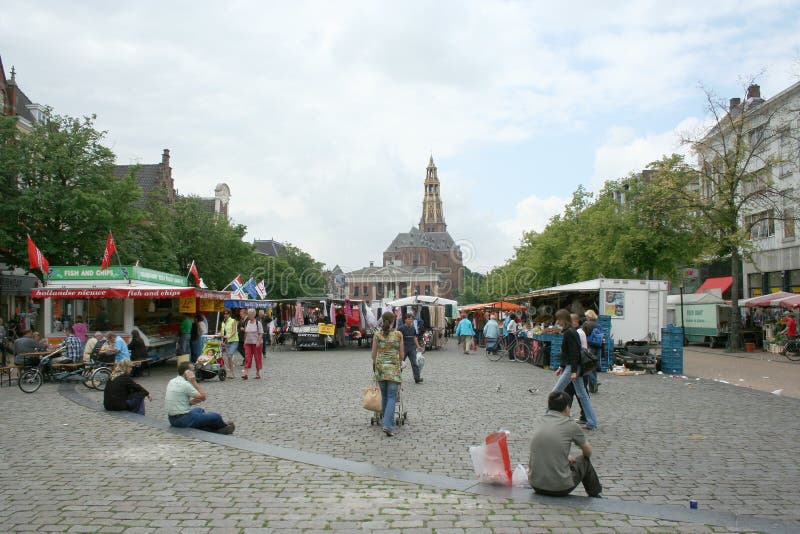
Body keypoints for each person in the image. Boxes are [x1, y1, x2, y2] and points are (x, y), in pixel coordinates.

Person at [528, 391, 602, 497]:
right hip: (559, 488)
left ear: (548, 405)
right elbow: (588, 452)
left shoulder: (539, 421)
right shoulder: (570, 425)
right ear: (567, 407)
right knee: (584, 461)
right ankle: (595, 493)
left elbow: (546, 444)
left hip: (535, 484)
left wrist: (564, 456)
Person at [551, 309, 598, 430]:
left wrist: (572, 371)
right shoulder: (572, 331)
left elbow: (573, 353)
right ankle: (592, 422)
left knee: (555, 393)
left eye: (559, 319)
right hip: (574, 367)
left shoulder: (569, 333)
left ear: (562, 319)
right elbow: (570, 353)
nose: (558, 322)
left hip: (572, 367)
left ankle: (549, 418)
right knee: (582, 395)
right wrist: (562, 366)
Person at [166, 361, 235, 434]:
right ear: (187, 372)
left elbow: (177, 401)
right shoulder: (185, 384)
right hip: (182, 419)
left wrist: (190, 402)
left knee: (199, 410)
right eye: (193, 370)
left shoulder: (172, 381)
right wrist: (194, 381)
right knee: (216, 417)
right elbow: (203, 397)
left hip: (172, 419)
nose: (194, 372)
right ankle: (223, 427)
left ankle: (208, 427)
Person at [371, 311, 404, 436]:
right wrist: (398, 363)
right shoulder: (398, 335)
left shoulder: (377, 335)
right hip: (393, 369)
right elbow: (401, 355)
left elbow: (373, 355)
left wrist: (375, 365)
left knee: (384, 396)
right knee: (392, 397)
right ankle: (388, 426)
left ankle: (386, 421)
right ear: (393, 321)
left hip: (380, 369)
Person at [397, 313, 423, 383]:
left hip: (412, 348)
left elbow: (414, 337)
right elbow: (397, 339)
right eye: (409, 319)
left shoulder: (413, 328)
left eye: (411, 319)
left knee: (414, 363)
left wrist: (418, 346)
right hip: (403, 348)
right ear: (405, 320)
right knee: (400, 363)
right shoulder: (400, 328)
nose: (410, 320)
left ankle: (417, 378)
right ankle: (397, 377)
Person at [241, 308, 264, 379]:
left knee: (257, 358)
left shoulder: (258, 323)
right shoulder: (247, 322)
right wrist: (244, 341)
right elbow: (246, 333)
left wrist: (258, 341)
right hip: (248, 343)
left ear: (254, 315)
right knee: (247, 357)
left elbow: (261, 333)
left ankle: (258, 373)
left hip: (256, 344)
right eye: (249, 314)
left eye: (251, 314)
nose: (250, 315)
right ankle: (246, 373)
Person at [582, 310, 601, 393]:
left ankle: (594, 382)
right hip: (598, 347)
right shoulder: (598, 324)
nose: (586, 317)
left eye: (586, 316)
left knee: (588, 366)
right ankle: (593, 387)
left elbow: (581, 334)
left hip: (589, 346)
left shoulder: (586, 324)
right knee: (594, 365)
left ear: (589, 316)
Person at [220, 310, 239, 379]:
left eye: (227, 314)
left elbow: (234, 331)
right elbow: (222, 332)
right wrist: (220, 334)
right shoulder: (223, 322)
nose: (225, 315)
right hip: (227, 341)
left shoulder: (233, 321)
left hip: (234, 340)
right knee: (227, 357)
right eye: (224, 314)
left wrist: (229, 336)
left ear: (229, 314)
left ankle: (232, 373)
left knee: (229, 356)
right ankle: (228, 371)